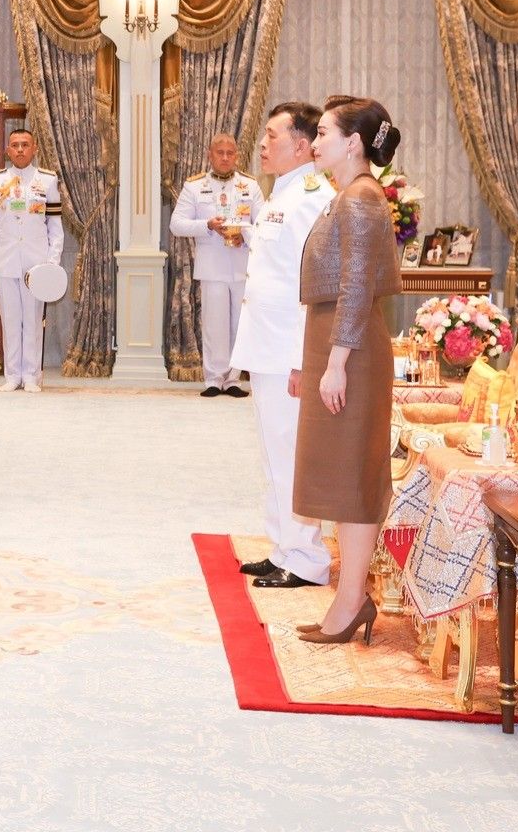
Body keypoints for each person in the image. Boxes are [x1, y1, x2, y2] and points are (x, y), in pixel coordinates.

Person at [295, 96, 403, 645]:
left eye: (323, 134)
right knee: (340, 476)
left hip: (350, 351)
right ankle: (351, 597)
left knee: (352, 479)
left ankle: (351, 600)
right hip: (338, 344)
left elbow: (357, 287)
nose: (314, 143)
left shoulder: (361, 199)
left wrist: (336, 364)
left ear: (354, 143)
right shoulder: (351, 196)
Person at [227, 104, 335, 591]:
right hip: (266, 346)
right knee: (273, 452)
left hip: (287, 351)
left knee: (293, 453)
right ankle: (283, 548)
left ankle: (307, 558)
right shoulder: (283, 195)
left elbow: (311, 285)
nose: (263, 145)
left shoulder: (311, 196)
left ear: (302, 144)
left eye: (273, 136)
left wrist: (301, 360)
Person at [170, 133, 262, 397]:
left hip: (242, 263)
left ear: (237, 156)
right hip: (212, 266)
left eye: (230, 153)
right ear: (210, 155)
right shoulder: (195, 186)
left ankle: (233, 379)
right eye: (219, 152)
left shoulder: (250, 185)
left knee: (239, 323)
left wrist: (244, 234)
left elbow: (262, 223)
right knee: (214, 324)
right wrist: (206, 226)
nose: (225, 157)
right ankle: (213, 377)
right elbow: (176, 224)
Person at [0, 129, 64, 392]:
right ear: (7, 150)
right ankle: (12, 375)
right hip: (4, 260)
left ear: (34, 148)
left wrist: (52, 262)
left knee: (32, 319)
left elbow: (55, 226)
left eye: (25, 145)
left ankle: (30, 375)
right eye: (15, 145)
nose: (20, 149)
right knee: (10, 319)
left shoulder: (48, 181)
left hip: (36, 263)